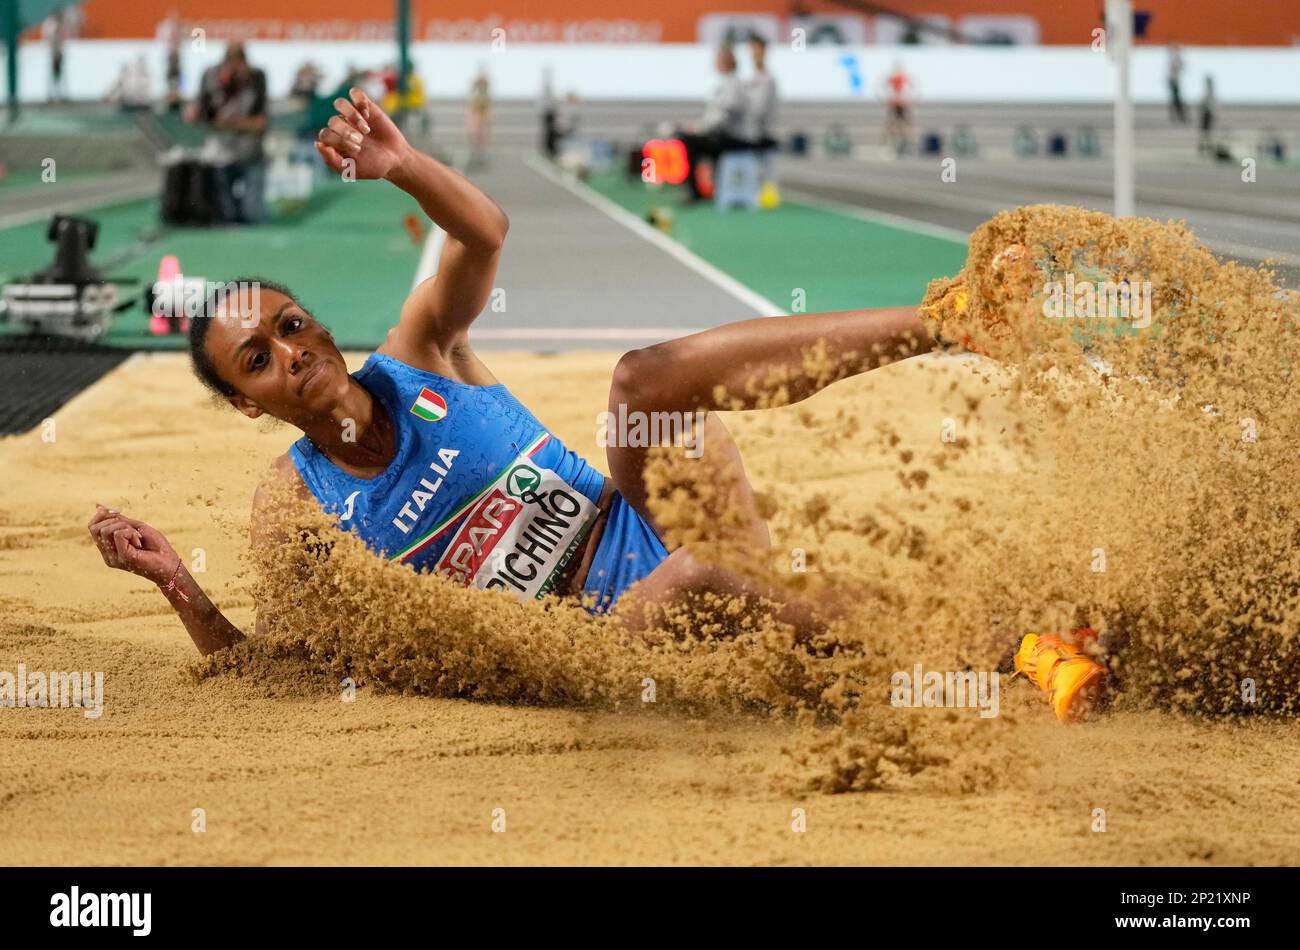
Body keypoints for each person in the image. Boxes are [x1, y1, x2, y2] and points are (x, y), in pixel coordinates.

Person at [86, 88, 1107, 722]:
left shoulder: (421, 351)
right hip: (607, 643)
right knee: (692, 583)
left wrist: (405, 169)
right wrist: (180, 583)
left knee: (640, 384)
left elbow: (482, 234)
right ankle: (1004, 645)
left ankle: (952, 317)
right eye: (258, 360)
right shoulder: (296, 505)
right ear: (248, 404)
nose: (294, 353)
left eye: (293, 325)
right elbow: (281, 669)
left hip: (661, 527)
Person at [188, 43, 269, 225]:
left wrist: (234, 123)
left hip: (250, 153)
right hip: (221, 155)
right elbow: (201, 114)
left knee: (253, 214)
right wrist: (196, 113)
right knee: (224, 216)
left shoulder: (256, 78)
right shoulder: (211, 77)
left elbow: (261, 122)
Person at [675, 45, 752, 201]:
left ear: (725, 62)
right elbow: (714, 116)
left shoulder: (734, 85)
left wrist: (701, 129)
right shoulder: (725, 84)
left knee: (686, 141)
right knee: (688, 138)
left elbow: (723, 116)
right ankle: (705, 188)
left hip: (733, 138)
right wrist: (699, 127)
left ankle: (696, 192)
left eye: (717, 60)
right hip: (723, 135)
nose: (715, 63)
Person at [742, 34, 778, 150]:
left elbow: (759, 109)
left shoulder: (768, 80)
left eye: (757, 49)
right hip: (749, 136)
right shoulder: (749, 78)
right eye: (752, 50)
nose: (754, 54)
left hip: (762, 137)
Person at [879, 60, 915, 156]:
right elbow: (911, 87)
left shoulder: (895, 77)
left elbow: (883, 86)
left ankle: (890, 144)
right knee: (899, 124)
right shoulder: (900, 77)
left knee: (895, 124)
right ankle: (898, 143)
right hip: (899, 102)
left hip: (897, 102)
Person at [466, 66, 492, 169]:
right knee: (475, 133)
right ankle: (476, 152)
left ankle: (480, 153)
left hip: (482, 111)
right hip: (477, 110)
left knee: (482, 134)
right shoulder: (476, 90)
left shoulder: (485, 91)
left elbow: (487, 104)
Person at [1198, 75, 1217, 156]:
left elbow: (1210, 104)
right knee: (1205, 132)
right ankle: (1204, 147)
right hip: (1206, 113)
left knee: (1206, 132)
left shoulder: (1210, 92)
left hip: (1207, 113)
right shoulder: (1208, 92)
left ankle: (1205, 147)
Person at [1167, 44, 1185, 125]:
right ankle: (1178, 116)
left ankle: (1179, 116)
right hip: (1173, 81)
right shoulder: (1175, 58)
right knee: (1175, 99)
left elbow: (1180, 68)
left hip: (1175, 81)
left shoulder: (1176, 59)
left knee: (1176, 99)